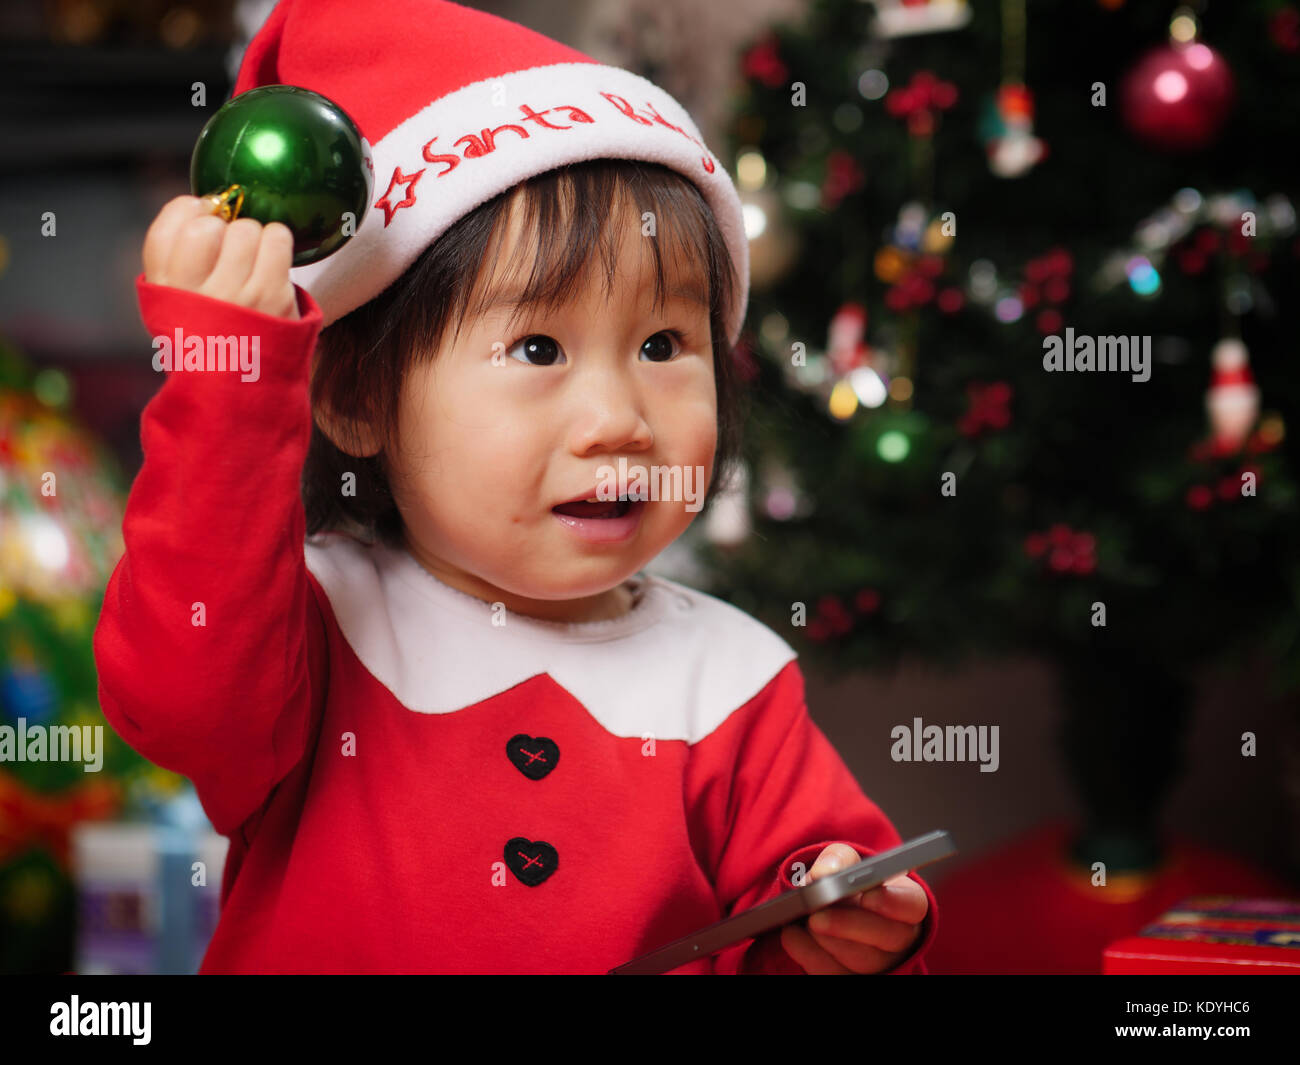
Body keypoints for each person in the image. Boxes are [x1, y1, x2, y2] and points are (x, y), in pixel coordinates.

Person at [94, 0, 937, 974]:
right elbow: (180, 703)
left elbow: (811, 917)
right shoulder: (308, 626)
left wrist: (853, 935)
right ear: (359, 399)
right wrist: (227, 378)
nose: (620, 418)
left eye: (664, 344)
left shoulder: (732, 683)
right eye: (537, 347)